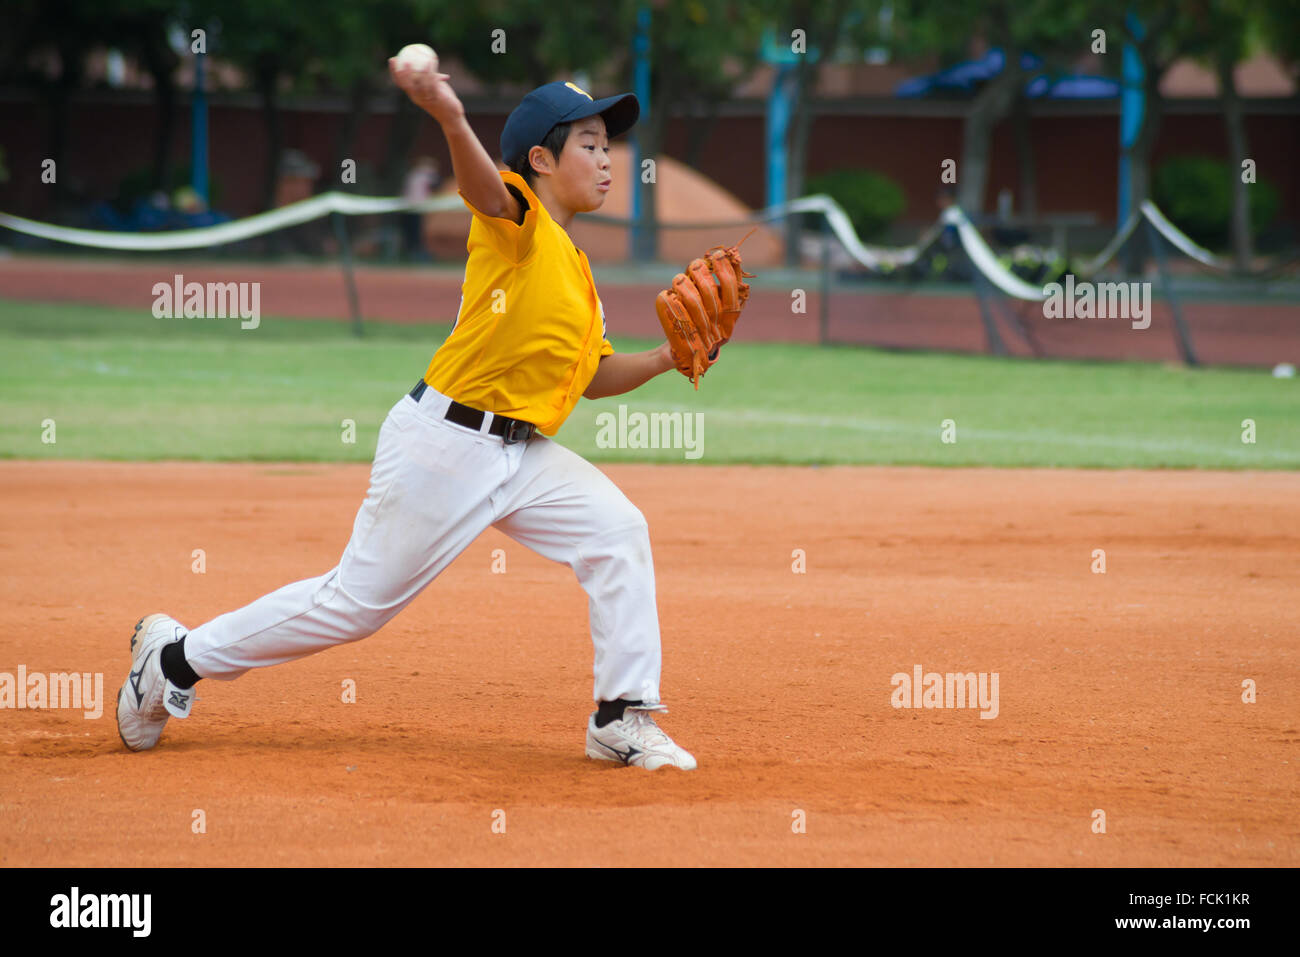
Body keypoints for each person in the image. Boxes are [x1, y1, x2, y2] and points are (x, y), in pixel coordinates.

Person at [114, 61, 698, 770]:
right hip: (445, 446)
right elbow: (482, 187)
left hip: (521, 455)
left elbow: (595, 376)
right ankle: (174, 661)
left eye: (609, 145)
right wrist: (449, 116)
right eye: (590, 144)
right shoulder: (517, 218)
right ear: (540, 160)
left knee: (616, 529)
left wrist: (671, 355)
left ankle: (620, 716)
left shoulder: (575, 268)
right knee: (354, 606)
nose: (608, 160)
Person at [401, 156, 441, 261]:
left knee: (411, 232)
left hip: (408, 206)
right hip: (418, 207)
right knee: (416, 231)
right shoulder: (428, 174)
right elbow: (436, 185)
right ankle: (415, 252)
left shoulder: (412, 174)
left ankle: (412, 252)